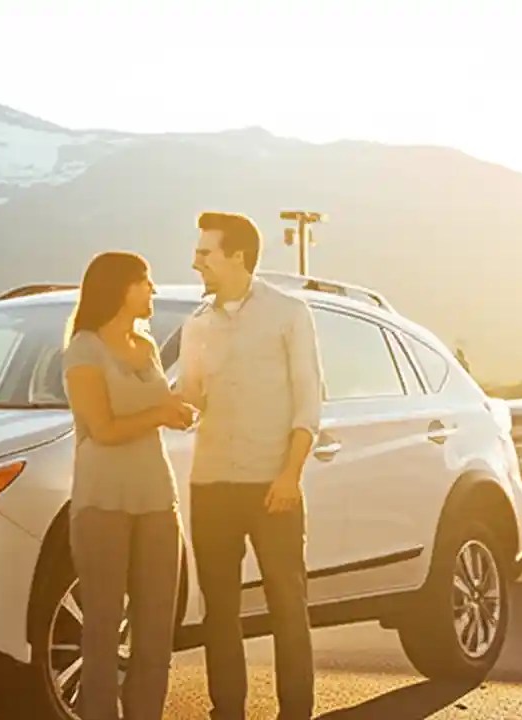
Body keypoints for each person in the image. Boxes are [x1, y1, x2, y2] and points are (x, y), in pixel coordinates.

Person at [178, 212, 324, 720]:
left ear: (237, 256)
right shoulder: (195, 324)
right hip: (211, 484)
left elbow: (308, 400)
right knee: (219, 611)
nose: (196, 262)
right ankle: (228, 713)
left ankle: (296, 713)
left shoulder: (289, 313)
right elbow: (187, 397)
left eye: (205, 254)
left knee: (287, 604)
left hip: (272, 484)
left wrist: (291, 475)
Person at [61, 251, 196, 720]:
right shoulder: (84, 349)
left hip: (158, 500)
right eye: (145, 282)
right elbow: (101, 428)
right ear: (119, 288)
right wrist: (160, 413)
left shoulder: (149, 346)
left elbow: (147, 411)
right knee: (101, 628)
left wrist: (176, 411)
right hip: (103, 502)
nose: (153, 291)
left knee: (156, 629)